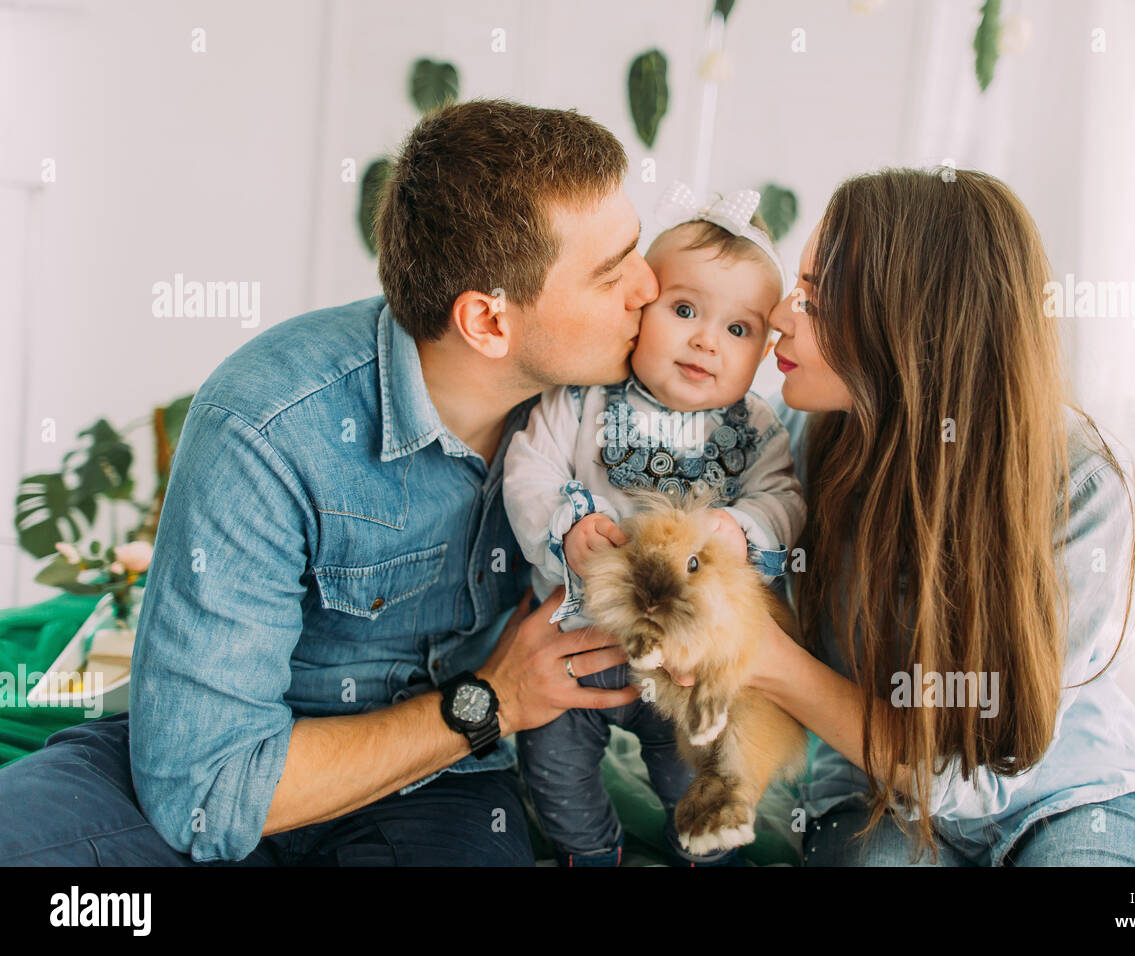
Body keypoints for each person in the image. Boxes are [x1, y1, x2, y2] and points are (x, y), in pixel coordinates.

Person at [0, 99, 658, 866]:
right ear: (486, 323)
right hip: (234, 755)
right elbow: (205, 790)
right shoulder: (267, 425)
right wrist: (496, 699)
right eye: (614, 273)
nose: (648, 286)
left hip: (439, 784)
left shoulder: (619, 405)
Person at [742, 168, 1135, 866]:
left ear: (912, 332)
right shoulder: (801, 440)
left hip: (1066, 796)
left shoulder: (1083, 484)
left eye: (817, 301)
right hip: (871, 785)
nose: (779, 316)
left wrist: (768, 662)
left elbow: (968, 775)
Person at [503, 185, 805, 865]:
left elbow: (783, 501)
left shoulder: (756, 427)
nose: (705, 339)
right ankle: (591, 853)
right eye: (685, 309)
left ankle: (697, 846)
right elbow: (529, 471)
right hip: (576, 640)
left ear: (762, 351)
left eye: (738, 329)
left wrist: (743, 527)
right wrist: (567, 527)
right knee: (552, 767)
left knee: (690, 771)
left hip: (687, 665)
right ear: (641, 307)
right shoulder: (581, 399)